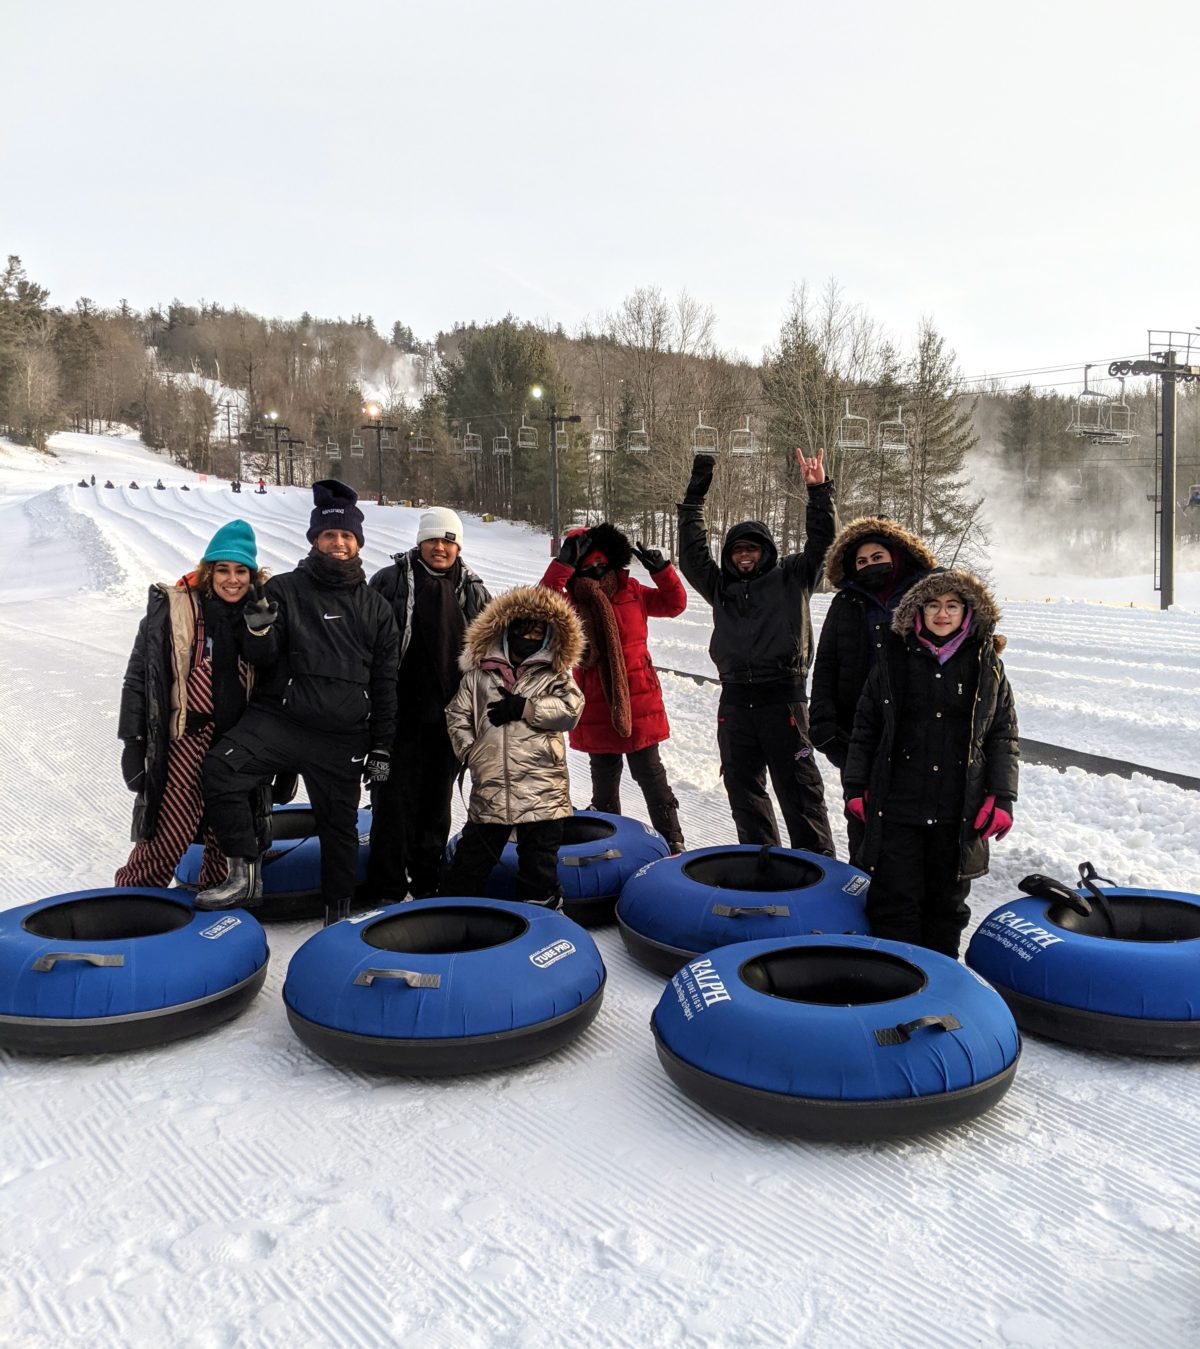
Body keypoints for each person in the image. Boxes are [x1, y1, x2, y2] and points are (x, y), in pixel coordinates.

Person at [198, 480, 399, 923]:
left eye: (346, 535)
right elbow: (263, 658)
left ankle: (337, 915)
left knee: (339, 830)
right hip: (281, 720)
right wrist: (257, 631)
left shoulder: (376, 607)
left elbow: (385, 682)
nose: (339, 543)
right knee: (220, 770)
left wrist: (382, 745)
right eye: (330, 535)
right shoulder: (286, 590)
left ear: (358, 542)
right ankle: (244, 875)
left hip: (342, 735)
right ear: (315, 540)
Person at [842, 569, 1019, 957]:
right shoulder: (892, 658)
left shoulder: (985, 665)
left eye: (952, 605)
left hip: (957, 809)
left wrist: (1002, 796)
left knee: (946, 907)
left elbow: (1002, 733)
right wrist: (855, 786)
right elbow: (866, 726)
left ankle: (939, 985)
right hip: (899, 805)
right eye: (933, 605)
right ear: (918, 611)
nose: (943, 614)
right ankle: (894, 984)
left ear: (967, 613)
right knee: (894, 902)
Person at [677, 448, 836, 855]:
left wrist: (818, 493)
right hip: (735, 703)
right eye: (736, 551)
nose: (744, 556)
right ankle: (761, 863)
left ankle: (817, 871)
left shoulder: (794, 576)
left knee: (799, 791)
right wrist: (695, 496)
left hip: (782, 699)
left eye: (752, 549)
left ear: (765, 551)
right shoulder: (721, 588)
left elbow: (824, 545)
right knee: (743, 791)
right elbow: (693, 555)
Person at [115, 521, 268, 889]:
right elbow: (140, 677)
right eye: (223, 570)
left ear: (252, 575)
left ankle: (218, 899)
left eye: (241, 571)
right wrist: (133, 741)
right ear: (208, 571)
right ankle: (135, 896)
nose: (232, 580)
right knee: (173, 821)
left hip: (239, 739)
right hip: (188, 734)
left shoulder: (261, 614)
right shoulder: (175, 609)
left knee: (225, 827)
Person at [366, 507, 491, 899]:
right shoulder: (389, 581)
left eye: (448, 541)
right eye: (433, 539)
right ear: (420, 542)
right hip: (399, 712)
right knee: (391, 803)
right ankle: (386, 887)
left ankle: (426, 883)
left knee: (436, 805)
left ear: (457, 546)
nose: (440, 547)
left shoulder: (473, 589)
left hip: (449, 716)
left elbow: (494, 653)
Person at [540, 522, 687, 852]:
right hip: (594, 701)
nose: (594, 570)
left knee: (651, 775)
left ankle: (673, 841)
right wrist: (561, 566)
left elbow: (674, 604)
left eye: (601, 564)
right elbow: (540, 605)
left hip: (639, 699)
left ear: (613, 562)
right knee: (604, 781)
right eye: (586, 565)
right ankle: (610, 848)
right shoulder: (569, 602)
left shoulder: (631, 590)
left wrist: (662, 571)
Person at [441, 586, 584, 908]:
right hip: (492, 785)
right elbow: (456, 714)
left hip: (542, 789)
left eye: (539, 630)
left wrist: (527, 709)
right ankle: (451, 921)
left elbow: (571, 710)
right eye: (523, 627)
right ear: (506, 628)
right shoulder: (478, 675)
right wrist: (471, 752)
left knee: (539, 869)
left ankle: (543, 927)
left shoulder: (555, 674)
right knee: (471, 860)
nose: (530, 636)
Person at [810, 516, 938, 858]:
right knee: (864, 830)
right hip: (859, 734)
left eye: (876, 557)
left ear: (896, 554)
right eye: (861, 561)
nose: (869, 565)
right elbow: (826, 664)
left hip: (918, 735)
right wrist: (823, 724)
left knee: (912, 836)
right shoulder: (846, 602)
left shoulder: (929, 595)